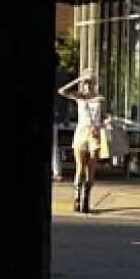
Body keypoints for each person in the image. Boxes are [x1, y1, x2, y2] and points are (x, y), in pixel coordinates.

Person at [57, 70, 106, 214]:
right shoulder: (79, 97)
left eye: (90, 83)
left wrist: (105, 122)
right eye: (86, 83)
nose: (88, 86)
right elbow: (62, 91)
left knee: (91, 169)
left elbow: (102, 115)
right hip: (81, 133)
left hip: (94, 135)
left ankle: (86, 199)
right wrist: (78, 80)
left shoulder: (99, 99)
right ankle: (77, 198)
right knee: (80, 167)